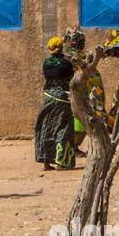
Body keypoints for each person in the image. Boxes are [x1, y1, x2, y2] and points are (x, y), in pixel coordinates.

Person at [34, 37, 76, 169]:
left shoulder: (47, 63)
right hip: (63, 98)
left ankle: (46, 162)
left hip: (48, 98)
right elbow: (71, 79)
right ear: (61, 47)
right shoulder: (66, 64)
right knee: (63, 127)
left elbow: (51, 76)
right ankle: (61, 161)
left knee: (46, 127)